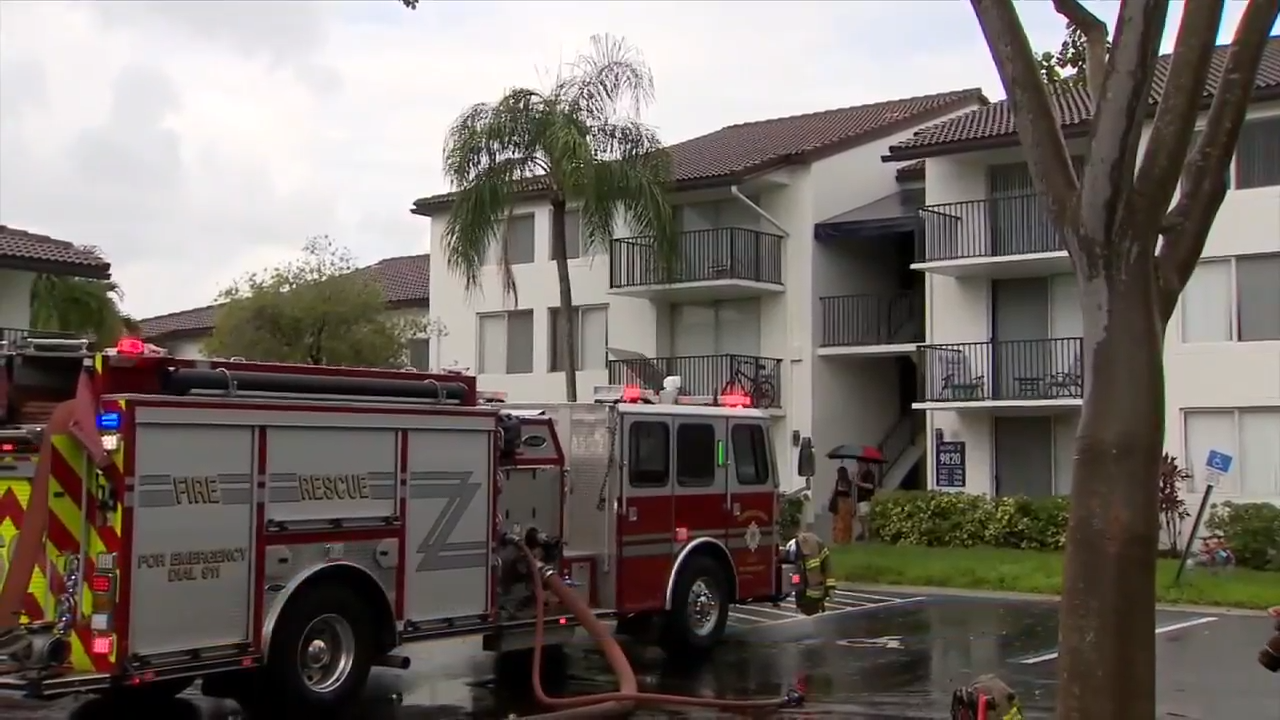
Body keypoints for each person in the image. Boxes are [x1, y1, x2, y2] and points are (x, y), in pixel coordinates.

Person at [828, 466, 854, 545]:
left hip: (840, 503)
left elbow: (838, 491)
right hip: (847, 503)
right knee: (846, 522)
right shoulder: (849, 482)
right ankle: (845, 539)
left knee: (840, 521)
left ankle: (839, 539)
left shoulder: (839, 482)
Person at [853, 460, 877, 541]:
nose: (859, 465)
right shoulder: (860, 474)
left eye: (860, 463)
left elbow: (871, 486)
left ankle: (867, 537)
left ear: (865, 464)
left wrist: (859, 483)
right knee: (861, 519)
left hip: (866, 499)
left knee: (866, 520)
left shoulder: (869, 474)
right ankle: (865, 536)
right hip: (860, 500)